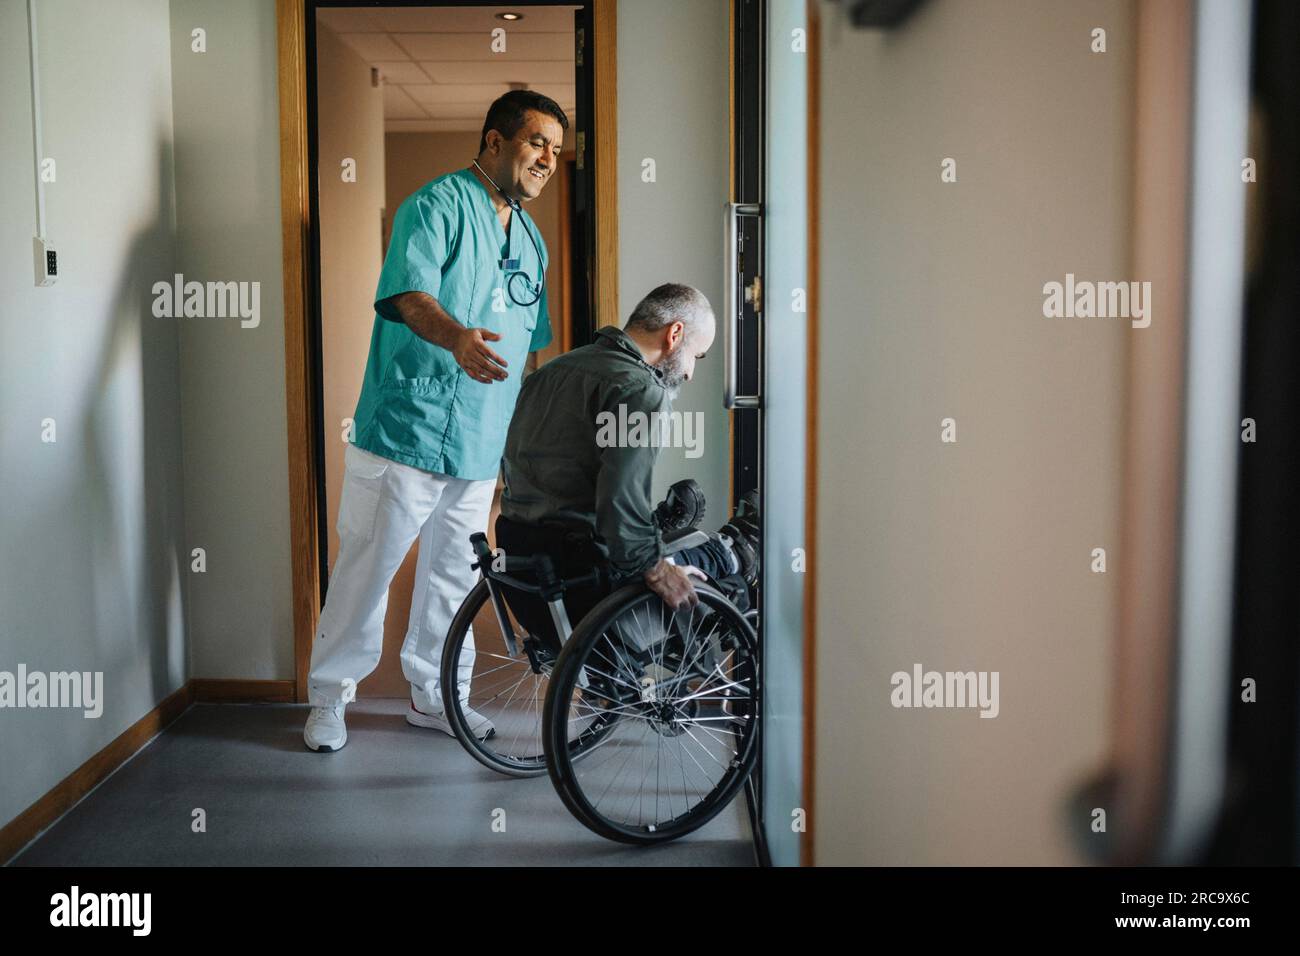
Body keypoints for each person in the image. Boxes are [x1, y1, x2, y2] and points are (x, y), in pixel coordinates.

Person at [303, 90, 568, 753]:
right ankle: (330, 699)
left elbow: (530, 344)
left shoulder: (532, 239)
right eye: (536, 142)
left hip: (481, 443)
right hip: (406, 429)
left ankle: (436, 694)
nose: (546, 159)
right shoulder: (436, 205)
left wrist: (524, 439)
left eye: (556, 151)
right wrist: (455, 338)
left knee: (455, 577)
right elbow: (407, 295)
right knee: (369, 569)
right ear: (494, 141)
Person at [496, 283, 760, 637]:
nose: (690, 374)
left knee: (658, 534)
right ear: (675, 334)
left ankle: (658, 526)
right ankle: (737, 542)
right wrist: (654, 568)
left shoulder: (549, 373)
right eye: (696, 356)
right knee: (721, 555)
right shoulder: (638, 389)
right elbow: (619, 496)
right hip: (584, 575)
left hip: (525, 561)